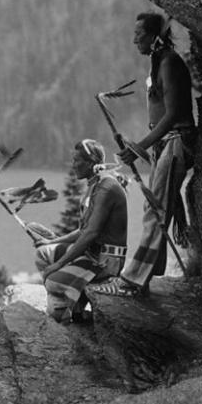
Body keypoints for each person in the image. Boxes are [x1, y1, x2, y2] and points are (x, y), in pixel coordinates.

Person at [93, 12, 196, 297]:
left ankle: (134, 280)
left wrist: (138, 148)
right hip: (167, 143)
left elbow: (173, 114)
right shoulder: (160, 62)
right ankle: (149, 273)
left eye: (139, 34)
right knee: (155, 208)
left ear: (154, 37)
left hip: (176, 142)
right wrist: (142, 147)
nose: (134, 40)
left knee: (155, 209)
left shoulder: (170, 63)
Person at [28, 138, 128, 324]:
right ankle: (74, 309)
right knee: (43, 254)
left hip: (105, 261)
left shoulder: (106, 188)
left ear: (91, 163)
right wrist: (51, 242)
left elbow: (91, 233)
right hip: (93, 254)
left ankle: (65, 313)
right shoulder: (96, 184)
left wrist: (58, 265)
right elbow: (83, 230)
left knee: (52, 281)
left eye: (76, 160)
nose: (73, 165)